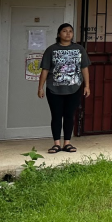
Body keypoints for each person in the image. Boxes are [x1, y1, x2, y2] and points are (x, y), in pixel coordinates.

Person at [37, 23, 91, 153]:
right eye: (65, 31)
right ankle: (56, 143)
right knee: (56, 116)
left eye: (70, 31)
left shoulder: (79, 49)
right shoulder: (51, 50)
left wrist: (87, 86)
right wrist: (40, 87)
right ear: (59, 34)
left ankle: (67, 143)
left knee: (69, 115)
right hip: (54, 89)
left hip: (74, 88)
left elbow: (84, 67)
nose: (68, 33)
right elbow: (45, 69)